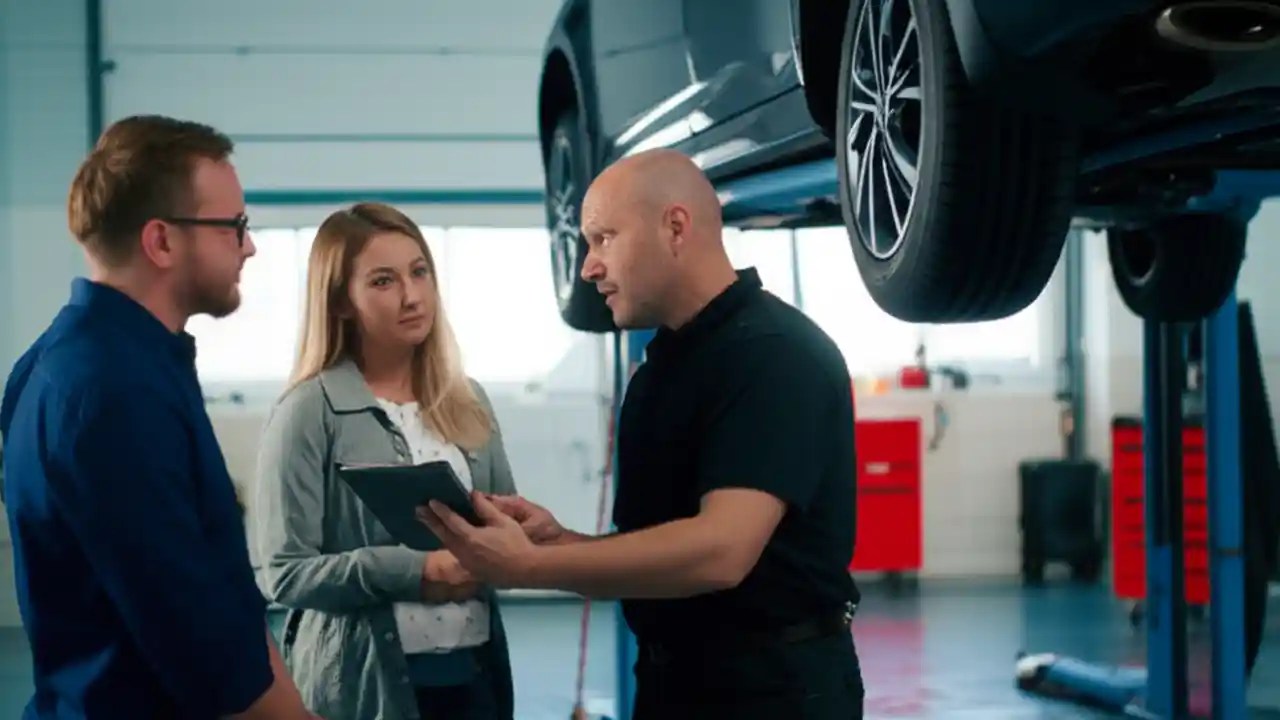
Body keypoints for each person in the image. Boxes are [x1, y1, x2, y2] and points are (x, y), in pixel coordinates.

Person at [419, 148, 865, 718]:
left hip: (771, 692)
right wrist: (558, 542)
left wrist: (530, 568)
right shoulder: (667, 368)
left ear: (675, 227)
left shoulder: (773, 356)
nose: (587, 267)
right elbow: (665, 547)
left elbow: (720, 551)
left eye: (603, 237)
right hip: (675, 681)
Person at [0, 115, 315, 719]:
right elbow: (194, 631)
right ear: (162, 242)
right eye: (234, 227)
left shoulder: (76, 363)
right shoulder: (112, 394)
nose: (249, 245)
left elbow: (218, 587)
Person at [251, 202, 517, 720]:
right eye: (383, 281)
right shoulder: (309, 410)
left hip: (475, 679)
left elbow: (507, 524)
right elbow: (283, 574)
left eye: (420, 272)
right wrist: (416, 570)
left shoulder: (470, 400)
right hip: (360, 689)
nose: (412, 296)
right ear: (341, 302)